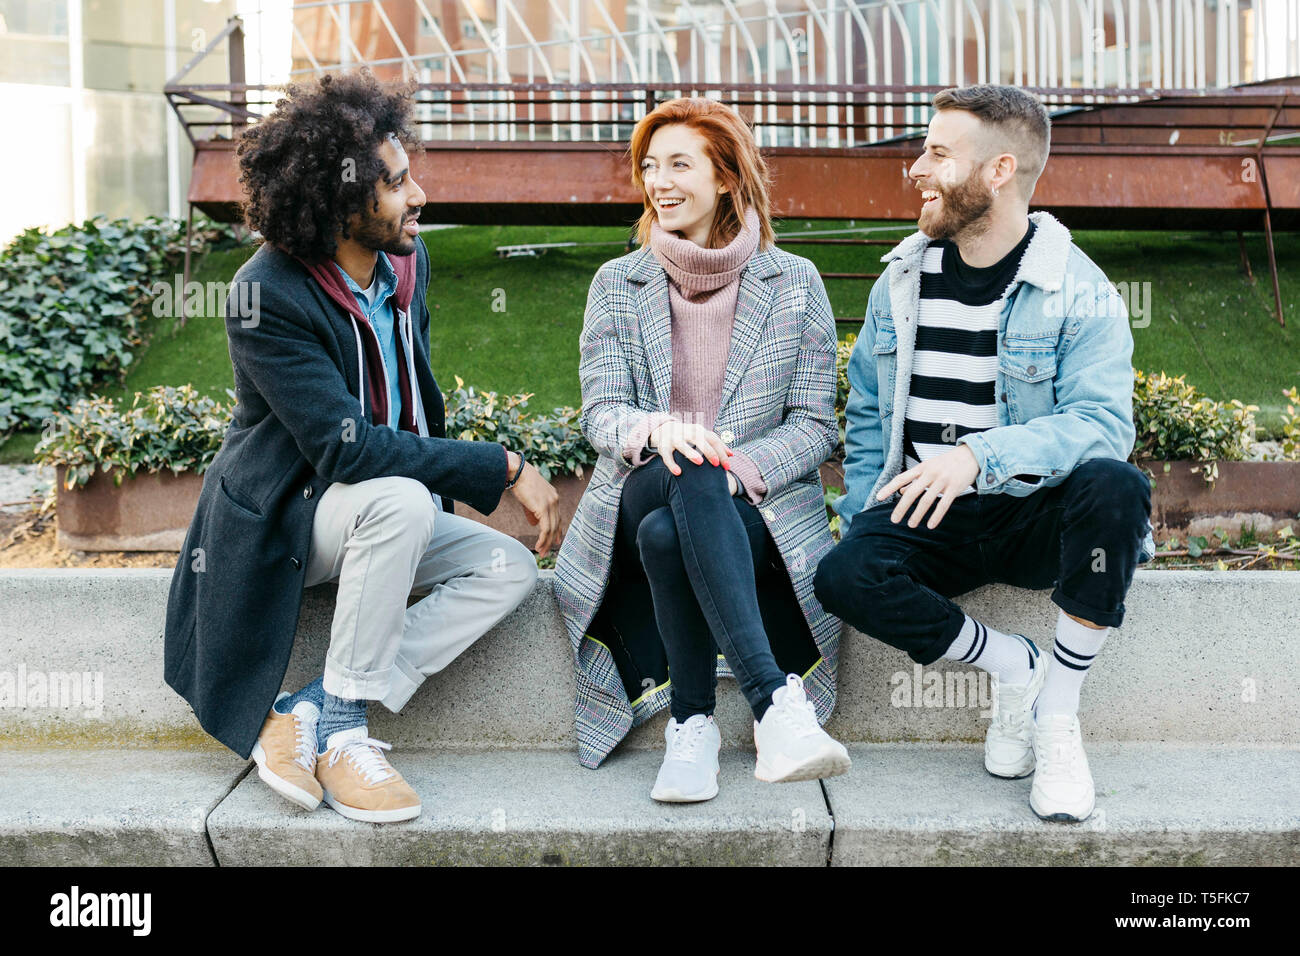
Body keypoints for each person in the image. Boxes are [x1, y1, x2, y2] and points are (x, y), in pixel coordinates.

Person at [163, 70, 561, 824]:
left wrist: (446, 501)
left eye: (411, 174)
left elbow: (411, 395)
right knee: (396, 500)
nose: (418, 198)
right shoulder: (266, 295)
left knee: (505, 566)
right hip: (286, 522)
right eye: (397, 184)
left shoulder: (407, 261)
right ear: (343, 205)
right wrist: (502, 465)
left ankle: (314, 706)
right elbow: (347, 451)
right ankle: (347, 730)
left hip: (382, 514)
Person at [814, 85, 1156, 823]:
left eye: (937, 154)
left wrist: (980, 456)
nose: (915, 169)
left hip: (1032, 518)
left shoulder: (1078, 287)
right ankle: (1015, 667)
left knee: (1116, 485)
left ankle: (1057, 715)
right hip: (931, 517)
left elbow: (1101, 423)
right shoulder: (902, 279)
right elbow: (870, 410)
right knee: (844, 572)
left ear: (999, 171)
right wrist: (867, 503)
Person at [554, 97, 850, 802]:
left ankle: (692, 728)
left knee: (674, 527)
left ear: (725, 176)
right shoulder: (617, 284)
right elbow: (601, 412)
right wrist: (659, 431)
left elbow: (814, 427)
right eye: (649, 167)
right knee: (677, 479)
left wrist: (733, 468)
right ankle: (776, 707)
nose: (659, 181)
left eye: (679, 164)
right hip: (639, 486)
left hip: (753, 505)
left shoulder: (795, 283)